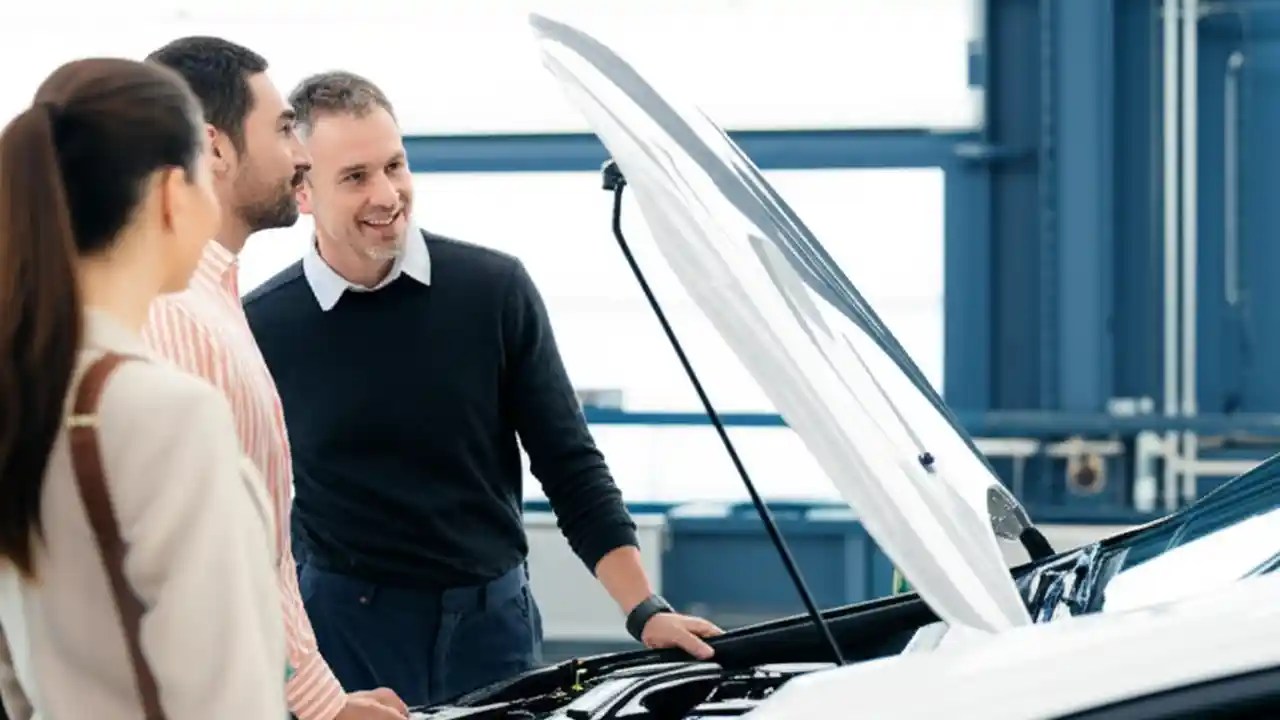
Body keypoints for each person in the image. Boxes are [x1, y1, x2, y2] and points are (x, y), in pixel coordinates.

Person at [241, 70, 724, 708]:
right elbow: (246, 515)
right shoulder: (261, 326)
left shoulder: (493, 291)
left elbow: (570, 463)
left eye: (395, 166)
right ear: (303, 190)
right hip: (344, 632)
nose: (386, 194)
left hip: (491, 631)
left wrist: (643, 609)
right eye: (355, 177)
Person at [0, 57, 286, 719]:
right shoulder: (169, 415)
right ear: (170, 193)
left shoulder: (24, 392)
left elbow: (13, 684)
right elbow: (230, 700)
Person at [140, 38, 407, 720]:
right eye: (284, 129)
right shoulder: (174, 314)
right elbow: (209, 554)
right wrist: (320, 705)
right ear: (215, 147)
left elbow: (262, 550)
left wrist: (323, 698)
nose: (300, 155)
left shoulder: (215, 301)